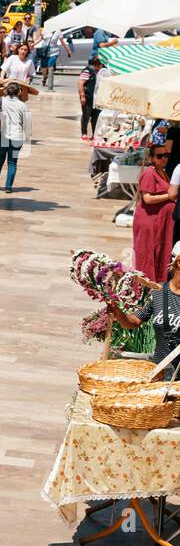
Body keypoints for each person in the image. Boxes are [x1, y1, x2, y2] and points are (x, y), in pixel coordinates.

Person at [112, 242, 180, 380]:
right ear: (179, 262)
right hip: (159, 376)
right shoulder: (159, 292)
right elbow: (134, 321)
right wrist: (115, 308)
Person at [132, 143, 178, 283]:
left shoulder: (162, 172)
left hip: (159, 221)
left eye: (166, 155)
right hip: (149, 222)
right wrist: (169, 197)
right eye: (159, 156)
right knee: (147, 254)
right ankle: (147, 286)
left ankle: (157, 284)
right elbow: (147, 198)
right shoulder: (149, 173)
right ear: (152, 158)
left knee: (159, 252)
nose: (163, 158)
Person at [0, 82, 31, 193]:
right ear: (19, 92)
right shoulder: (22, 105)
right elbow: (27, 124)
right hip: (17, 137)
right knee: (12, 162)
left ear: (6, 91)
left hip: (2, 136)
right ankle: (8, 187)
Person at [79, 56, 103, 141]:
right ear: (97, 64)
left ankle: (94, 134)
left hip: (97, 99)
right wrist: (82, 96)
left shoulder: (100, 71)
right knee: (86, 115)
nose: (101, 66)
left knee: (96, 117)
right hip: (88, 97)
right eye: (100, 64)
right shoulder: (87, 71)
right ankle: (84, 133)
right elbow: (81, 83)